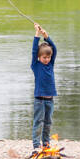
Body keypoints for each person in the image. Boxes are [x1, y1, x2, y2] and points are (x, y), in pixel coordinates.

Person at [30, 23, 57, 152]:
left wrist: (46, 36)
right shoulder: (36, 65)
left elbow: (54, 49)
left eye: (48, 57)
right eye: (44, 57)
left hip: (50, 99)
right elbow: (34, 50)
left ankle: (46, 144)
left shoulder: (50, 65)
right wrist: (37, 34)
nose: (47, 59)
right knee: (38, 122)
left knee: (48, 123)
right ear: (39, 58)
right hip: (39, 99)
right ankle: (36, 145)